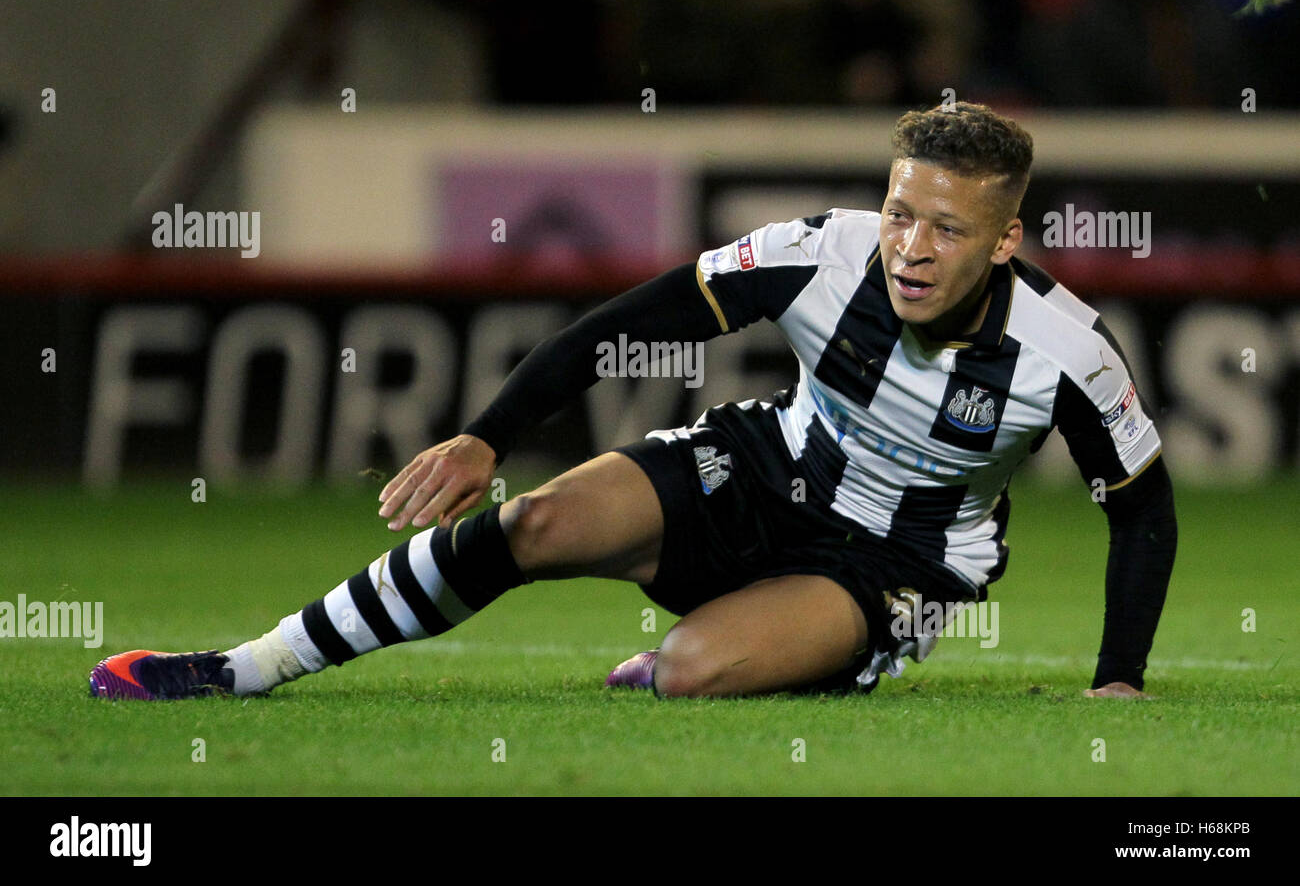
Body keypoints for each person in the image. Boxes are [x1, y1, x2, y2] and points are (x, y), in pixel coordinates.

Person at [88, 102, 1176, 702]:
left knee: (695, 672)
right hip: (767, 466)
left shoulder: (1063, 350)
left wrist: (1117, 681)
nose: (911, 246)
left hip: (899, 565)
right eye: (900, 213)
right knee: (537, 520)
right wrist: (486, 433)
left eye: (947, 228)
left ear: (1003, 239)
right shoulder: (817, 255)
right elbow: (624, 321)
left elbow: (1141, 508)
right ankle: (248, 664)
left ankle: (763, 652)